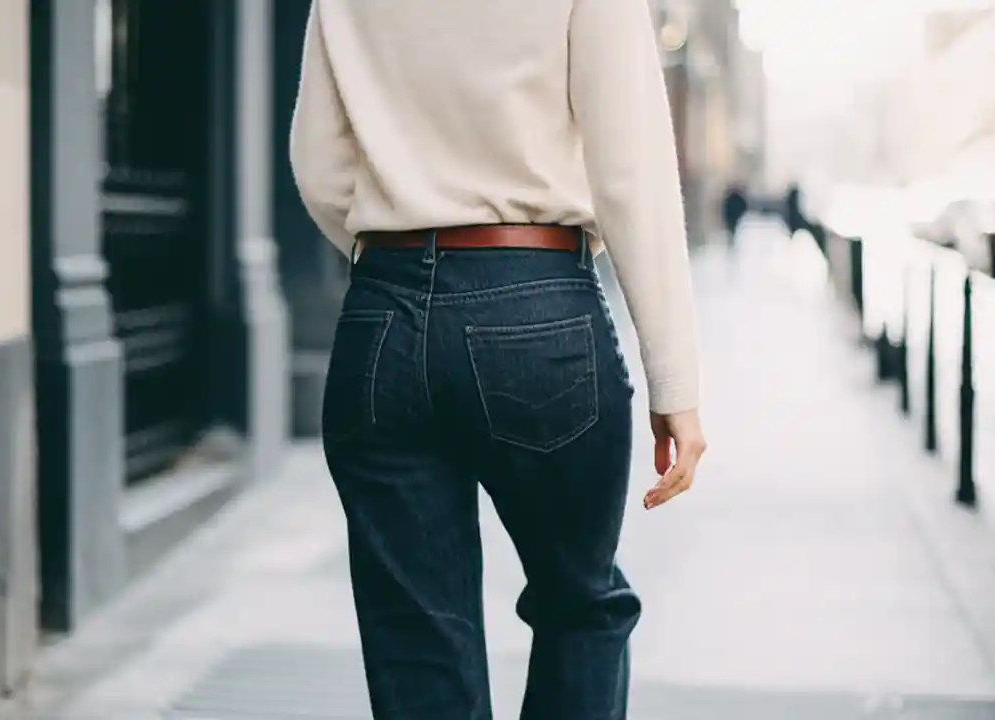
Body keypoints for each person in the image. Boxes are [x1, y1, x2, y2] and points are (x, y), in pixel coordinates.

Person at [290, 0, 706, 717]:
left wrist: (399, 239)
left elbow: (318, 165)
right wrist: (675, 377)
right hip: (537, 304)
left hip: (381, 312)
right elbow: (629, 169)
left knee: (417, 641)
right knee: (580, 608)